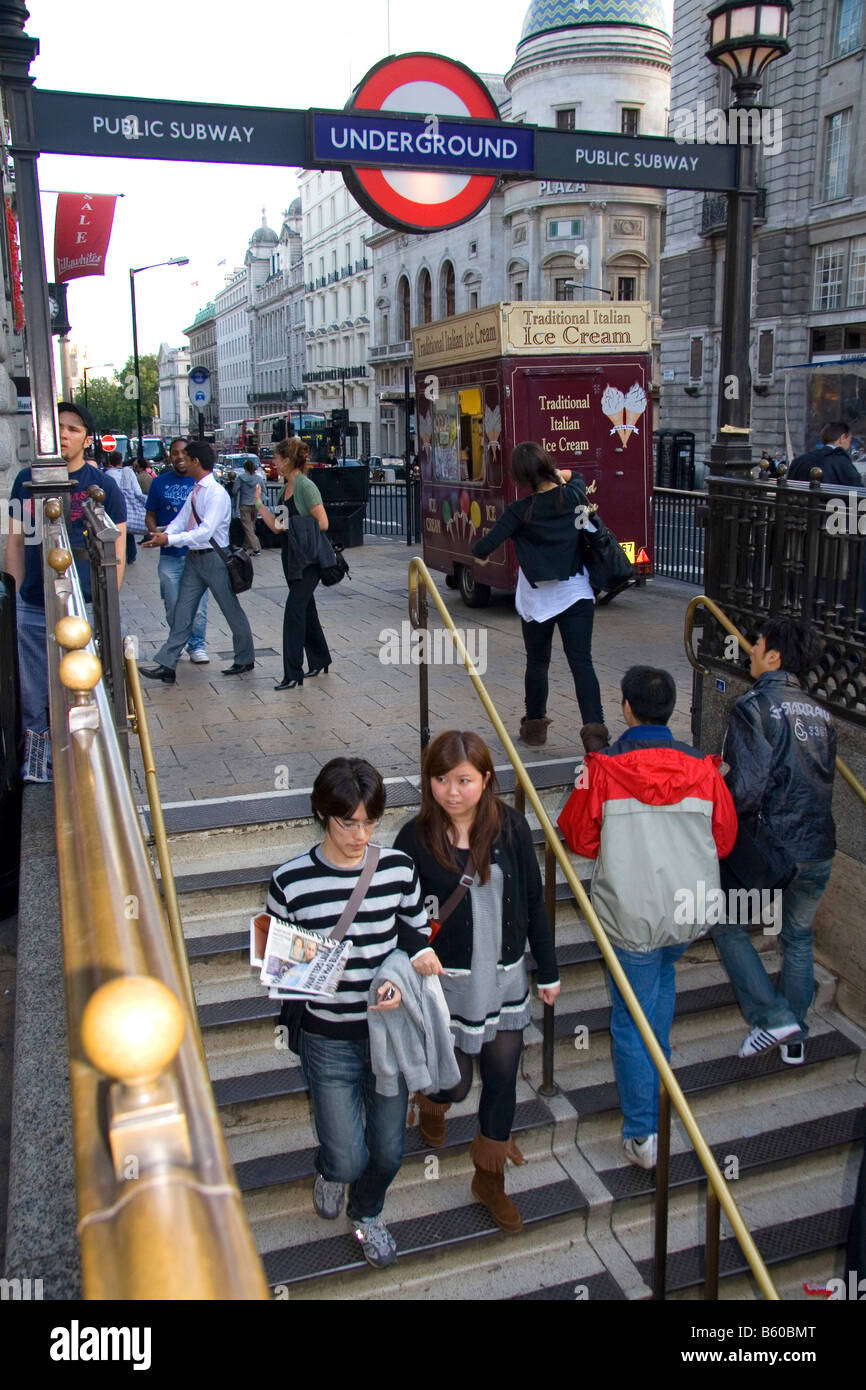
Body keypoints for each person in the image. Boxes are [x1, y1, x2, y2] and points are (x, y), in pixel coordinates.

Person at [558, 668, 737, 1169]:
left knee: (630, 1019)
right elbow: (723, 839)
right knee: (660, 981)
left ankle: (642, 1131)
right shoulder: (704, 767)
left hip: (632, 912)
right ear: (671, 709)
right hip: (688, 910)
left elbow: (579, 837)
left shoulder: (605, 768)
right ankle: (659, 1081)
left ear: (626, 708)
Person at [265, 757, 438, 1269]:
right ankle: (331, 1170)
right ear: (322, 812)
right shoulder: (289, 882)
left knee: (386, 1153)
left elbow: (412, 933)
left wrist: (407, 975)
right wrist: (305, 972)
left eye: (369, 822)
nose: (359, 834)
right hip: (328, 1038)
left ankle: (366, 1213)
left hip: (387, 1033)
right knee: (346, 1156)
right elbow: (279, 969)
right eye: (348, 822)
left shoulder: (397, 869)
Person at [394, 730, 560, 1232]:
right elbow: (395, 912)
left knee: (504, 1078)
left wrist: (548, 970)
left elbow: (533, 900)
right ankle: (432, 1102)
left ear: (486, 780)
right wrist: (417, 947)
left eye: (464, 780)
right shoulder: (415, 838)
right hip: (447, 986)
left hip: (505, 981)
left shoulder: (509, 827)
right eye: (441, 779)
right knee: (457, 1082)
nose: (451, 790)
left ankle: (489, 1179)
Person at [711, 619, 837, 1063]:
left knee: (723, 920)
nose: (750, 649)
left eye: (757, 644)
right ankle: (795, 1036)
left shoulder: (754, 706)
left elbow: (744, 790)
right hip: (819, 847)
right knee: (797, 936)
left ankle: (771, 1017)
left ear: (774, 657)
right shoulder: (822, 713)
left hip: (774, 849)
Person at [7, 401, 127, 781]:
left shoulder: (104, 486)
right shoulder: (23, 480)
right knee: (34, 692)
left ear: (86, 439)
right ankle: (38, 757)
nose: (63, 433)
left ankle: (83, 756)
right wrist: (14, 595)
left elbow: (117, 553)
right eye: (56, 426)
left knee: (83, 687)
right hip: (32, 601)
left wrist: (105, 603)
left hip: (86, 603)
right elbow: (13, 540)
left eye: (72, 429)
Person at [471, 440, 607, 753]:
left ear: (520, 478)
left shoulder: (519, 512)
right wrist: (554, 474)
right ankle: (595, 737)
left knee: (538, 662)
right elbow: (574, 476)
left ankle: (535, 729)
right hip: (577, 593)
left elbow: (481, 550)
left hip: (537, 600)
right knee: (582, 663)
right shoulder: (574, 496)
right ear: (548, 466)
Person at [138, 441, 255, 682]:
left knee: (230, 610)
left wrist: (169, 539)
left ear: (196, 462)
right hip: (194, 558)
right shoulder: (196, 490)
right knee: (183, 611)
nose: (182, 461)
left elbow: (205, 531)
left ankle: (245, 657)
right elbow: (182, 519)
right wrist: (164, 535)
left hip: (214, 559)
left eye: (187, 457)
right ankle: (167, 664)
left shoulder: (215, 493)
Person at [256, 435, 331, 690]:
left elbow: (323, 522)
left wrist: (293, 525)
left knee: (294, 612)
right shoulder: (284, 488)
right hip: (291, 557)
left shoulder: (305, 486)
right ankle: (321, 658)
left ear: (287, 460)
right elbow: (278, 528)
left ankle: (292, 672)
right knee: (306, 609)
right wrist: (258, 503)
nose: (274, 463)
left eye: (277, 459)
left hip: (309, 559)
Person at [144, 438, 209, 664]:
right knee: (172, 604)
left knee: (199, 607)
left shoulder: (201, 482)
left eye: (183, 453)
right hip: (170, 556)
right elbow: (150, 513)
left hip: (196, 554)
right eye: (174, 453)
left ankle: (197, 645)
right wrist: (155, 535)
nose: (179, 457)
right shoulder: (159, 482)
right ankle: (177, 641)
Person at [103, 451, 148, 565]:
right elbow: (137, 492)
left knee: (116, 531)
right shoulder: (129, 472)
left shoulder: (107, 474)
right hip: (128, 506)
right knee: (128, 531)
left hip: (113, 506)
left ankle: (117, 554)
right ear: (121, 460)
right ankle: (131, 555)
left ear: (110, 461)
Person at [788, 423, 862, 486]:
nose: (849, 445)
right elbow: (856, 490)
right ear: (842, 438)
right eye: (849, 440)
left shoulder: (800, 460)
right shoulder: (841, 461)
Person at [231, 456, 266, 555]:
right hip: (255, 504)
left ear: (245, 468)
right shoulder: (259, 478)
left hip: (244, 504)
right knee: (251, 526)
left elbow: (234, 490)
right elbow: (264, 490)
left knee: (247, 527)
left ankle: (256, 548)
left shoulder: (241, 478)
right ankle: (245, 547)